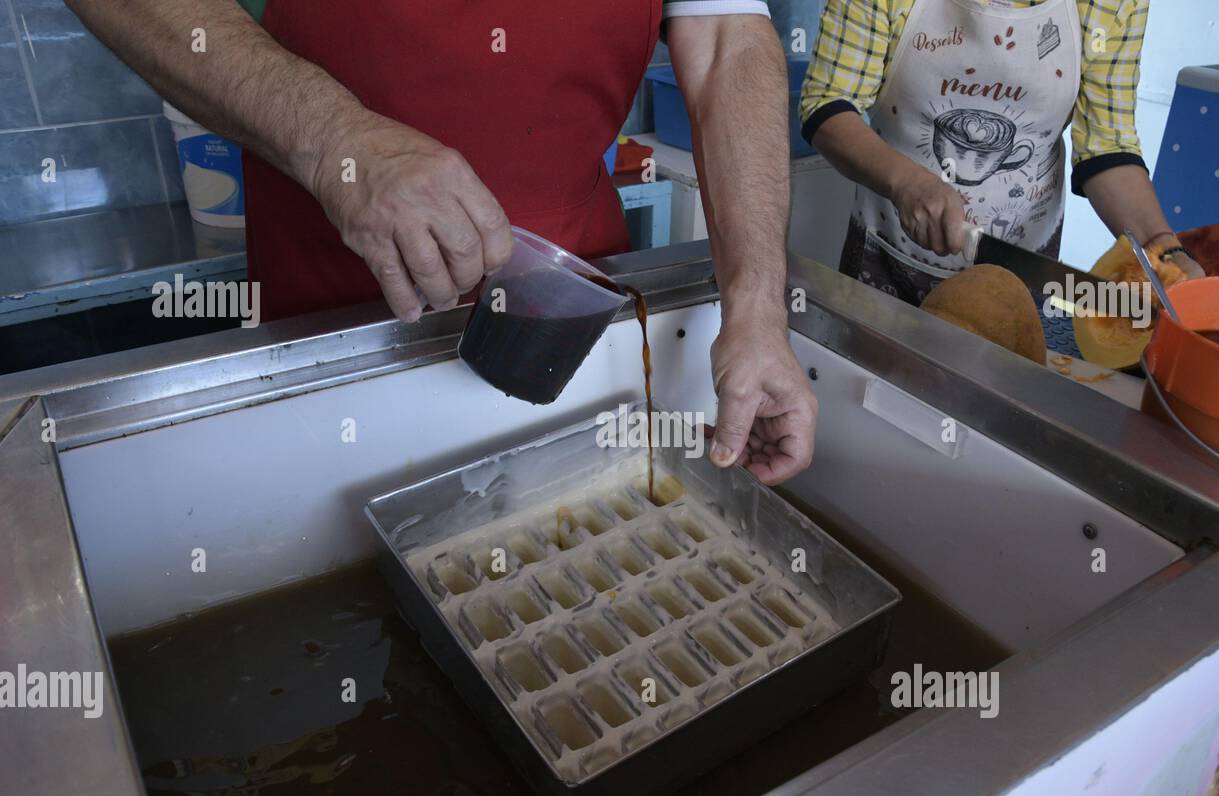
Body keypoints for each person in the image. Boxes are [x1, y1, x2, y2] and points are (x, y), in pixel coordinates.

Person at [67, 0, 817, 484]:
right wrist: (335, 140)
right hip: (339, 331)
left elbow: (725, 41)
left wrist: (753, 307)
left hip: (574, 317)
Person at [800, 0, 1204, 307]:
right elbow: (828, 102)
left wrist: (1162, 248)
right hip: (886, 253)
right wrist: (905, 183)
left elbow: (1106, 146)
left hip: (1020, 271)